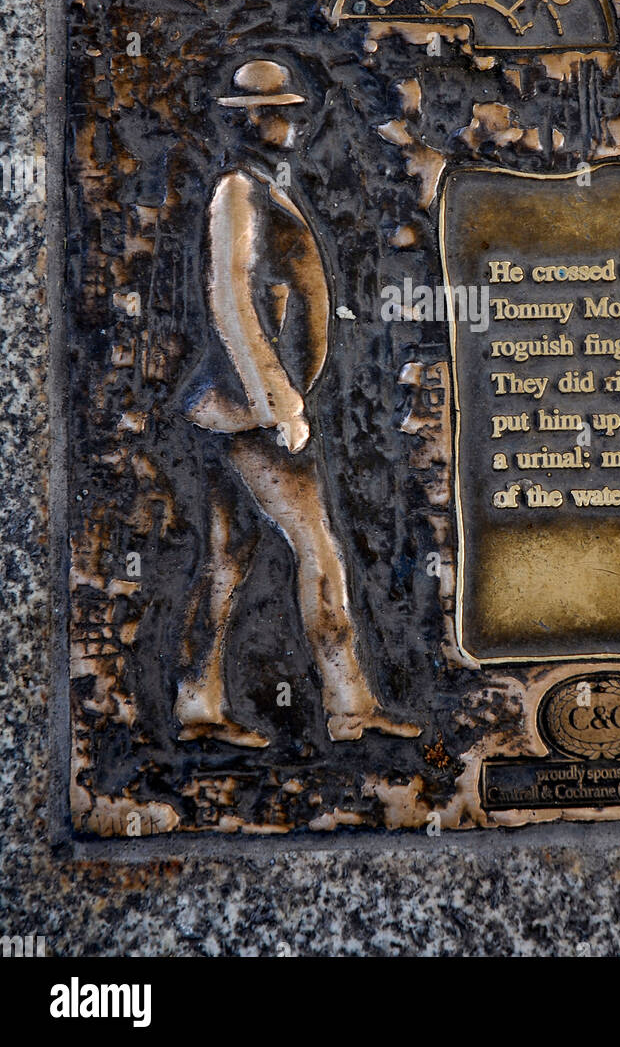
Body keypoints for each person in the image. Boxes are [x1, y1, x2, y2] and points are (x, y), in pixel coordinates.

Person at [174, 57, 421, 746]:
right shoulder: (237, 192)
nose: (294, 121)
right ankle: (349, 706)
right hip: (248, 412)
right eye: (281, 109)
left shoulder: (265, 188)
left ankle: (196, 701)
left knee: (228, 556)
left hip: (231, 409)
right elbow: (230, 301)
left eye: (292, 107)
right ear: (250, 117)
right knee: (319, 547)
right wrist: (280, 401)